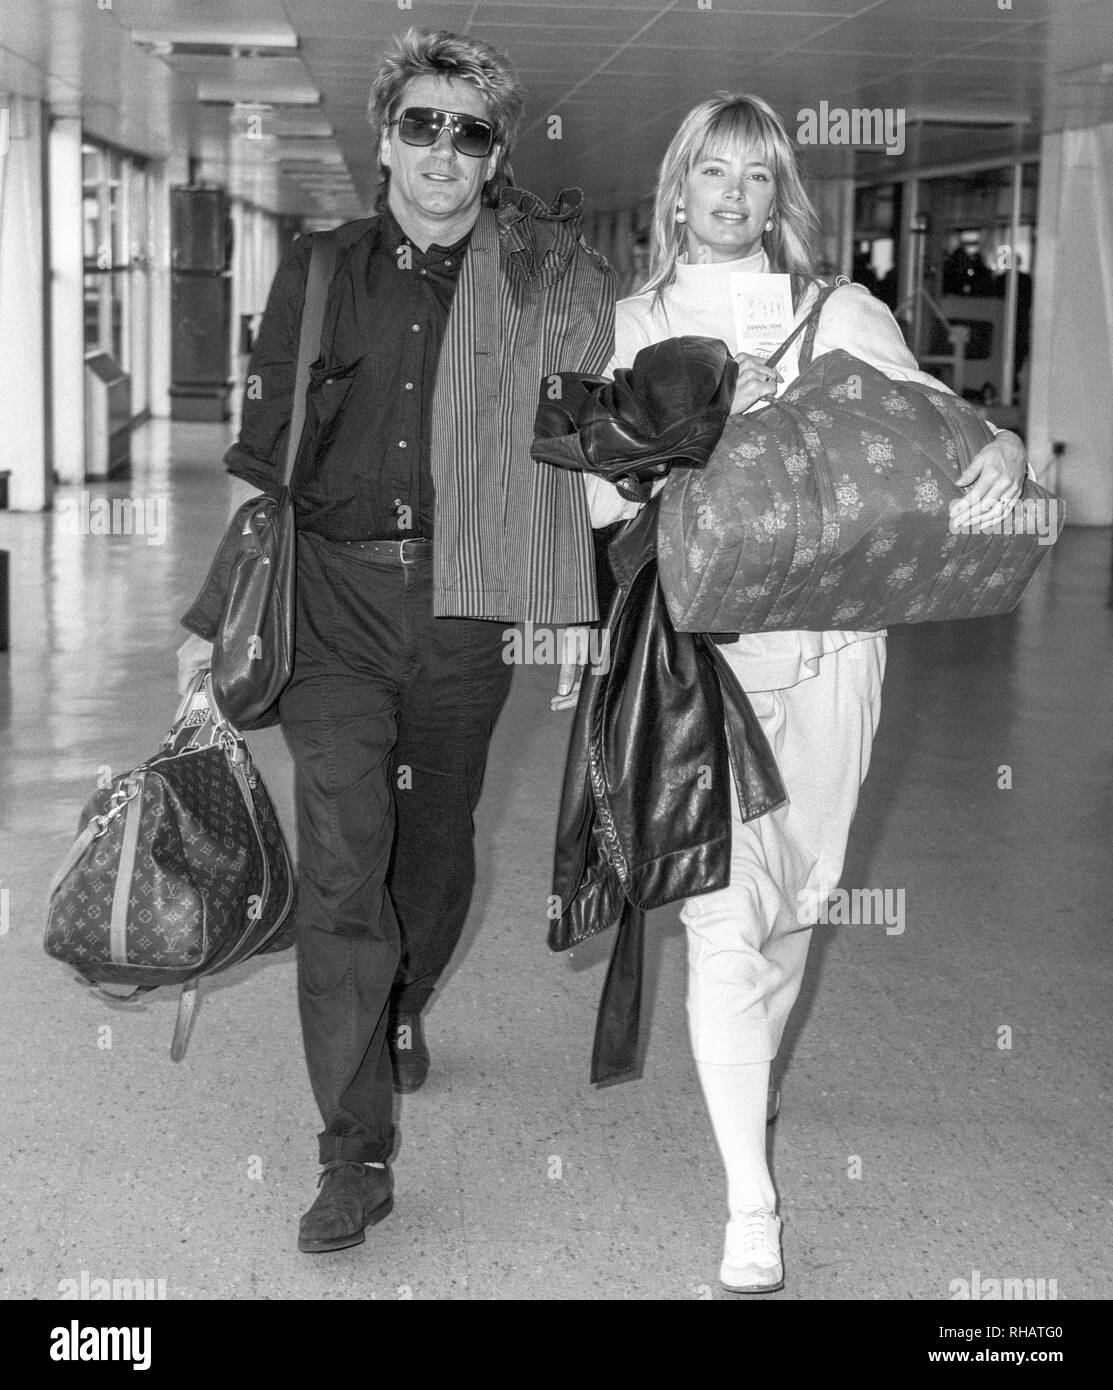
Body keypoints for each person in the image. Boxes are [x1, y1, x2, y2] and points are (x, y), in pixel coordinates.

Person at [577, 93, 1028, 1294]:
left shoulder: (846, 312)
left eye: (758, 177)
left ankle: (746, 1089)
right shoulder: (633, 321)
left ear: (783, 198)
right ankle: (750, 1197)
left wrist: (1007, 453)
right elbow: (602, 510)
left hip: (836, 646)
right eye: (712, 174)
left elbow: (940, 428)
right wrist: (693, 450)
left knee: (794, 907)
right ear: (676, 190)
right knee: (724, 921)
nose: (733, 196)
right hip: (704, 656)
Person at [178, 28, 614, 1254]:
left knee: (434, 849)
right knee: (341, 867)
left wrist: (573, 602)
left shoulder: (532, 278)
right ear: (384, 139)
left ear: (495, 158)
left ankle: (403, 1003)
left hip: (469, 609)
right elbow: (268, 464)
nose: (442, 152)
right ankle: (351, 1150)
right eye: (421, 124)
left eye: (470, 133)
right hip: (334, 606)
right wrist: (220, 616)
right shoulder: (316, 267)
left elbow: (578, 436)